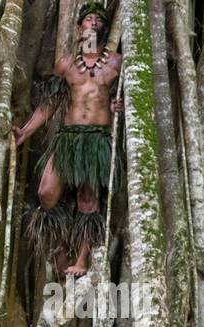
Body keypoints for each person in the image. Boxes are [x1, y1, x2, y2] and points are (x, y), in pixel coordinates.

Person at [13, 3, 122, 276]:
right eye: (88, 19)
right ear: (78, 27)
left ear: (104, 28)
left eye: (98, 20)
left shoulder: (115, 62)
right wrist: (25, 131)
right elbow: (49, 105)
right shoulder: (66, 64)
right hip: (67, 139)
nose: (93, 24)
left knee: (88, 201)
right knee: (46, 193)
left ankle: (82, 261)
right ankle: (61, 248)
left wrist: (118, 106)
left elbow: (131, 95)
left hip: (97, 140)